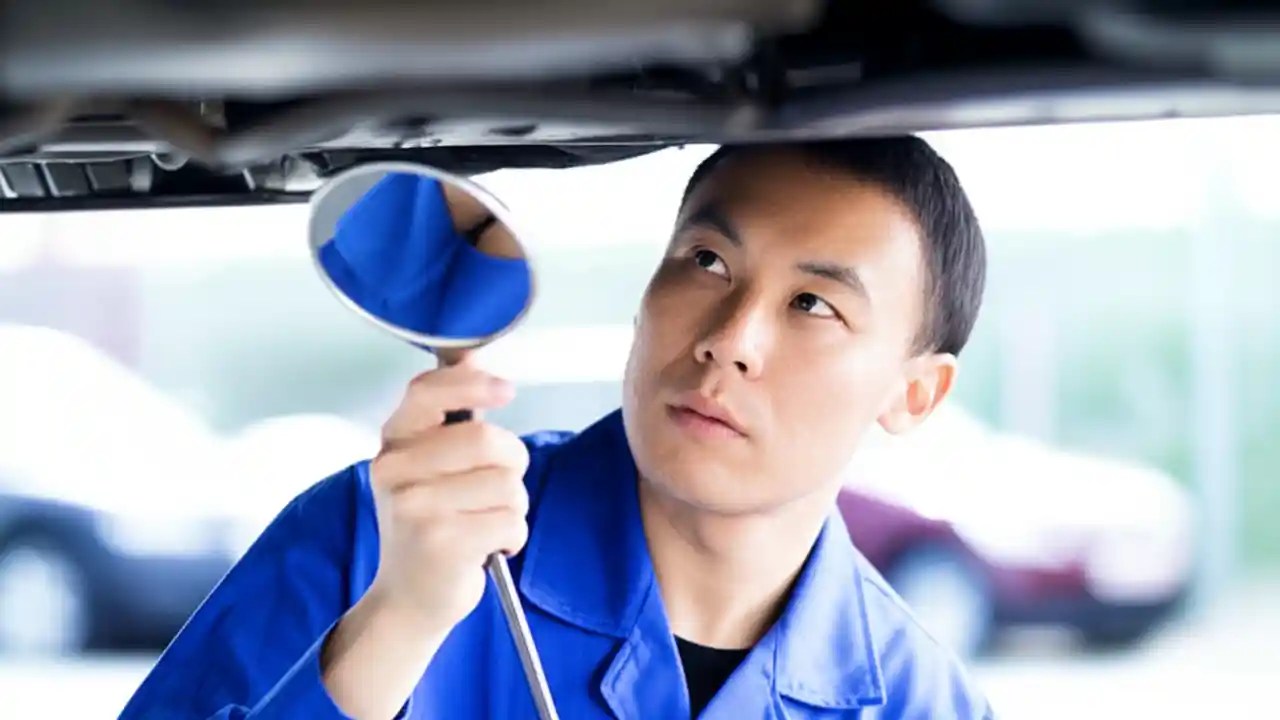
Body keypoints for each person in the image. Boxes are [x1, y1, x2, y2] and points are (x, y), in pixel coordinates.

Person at [120, 137, 993, 719]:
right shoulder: (380, 534)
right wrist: (396, 622)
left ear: (915, 393)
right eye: (708, 262)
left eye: (813, 304)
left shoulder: (920, 700)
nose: (730, 341)